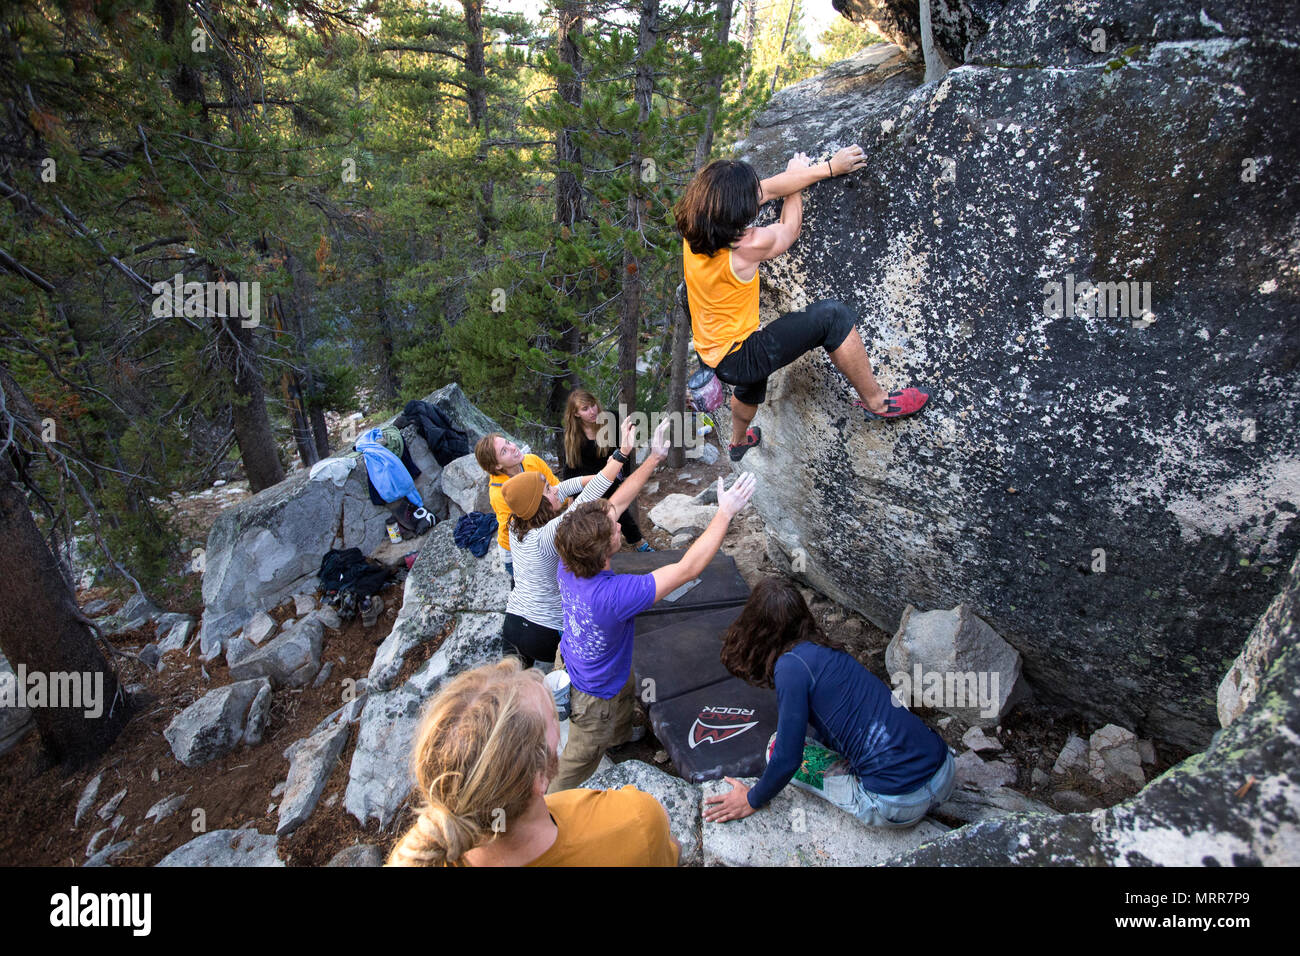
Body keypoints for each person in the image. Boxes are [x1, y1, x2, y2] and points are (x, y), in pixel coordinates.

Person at [674, 148, 930, 462]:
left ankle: (738, 441)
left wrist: (823, 169)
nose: (757, 198)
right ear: (734, 214)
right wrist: (808, 176)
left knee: (750, 385)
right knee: (833, 317)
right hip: (740, 354)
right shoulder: (747, 245)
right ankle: (877, 403)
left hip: (709, 348)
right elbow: (790, 229)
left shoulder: (696, 227)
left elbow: (765, 190)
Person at [549, 457, 758, 792]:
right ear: (605, 551)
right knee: (578, 759)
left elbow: (614, 504)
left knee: (625, 687)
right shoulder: (615, 595)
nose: (619, 525)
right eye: (614, 529)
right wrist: (725, 512)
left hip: (581, 655)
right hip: (591, 694)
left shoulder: (569, 558)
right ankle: (547, 807)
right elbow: (688, 568)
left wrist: (656, 455)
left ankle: (620, 737)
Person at [703, 578, 955, 828]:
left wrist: (752, 799)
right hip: (945, 771)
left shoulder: (790, 668)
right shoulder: (827, 649)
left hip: (896, 803)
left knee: (775, 745)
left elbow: (787, 757)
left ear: (755, 625)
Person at [385, 659, 679, 866]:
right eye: (552, 717)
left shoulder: (423, 854)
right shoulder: (634, 820)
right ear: (540, 777)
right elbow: (669, 849)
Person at [500, 417, 640, 668]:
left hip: (512, 624)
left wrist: (605, 471)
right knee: (565, 685)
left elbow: (568, 486)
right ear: (541, 504)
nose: (555, 490)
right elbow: (586, 497)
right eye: (548, 491)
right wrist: (622, 454)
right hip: (545, 631)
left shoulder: (515, 522)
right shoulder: (547, 536)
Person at [561, 388, 653, 553]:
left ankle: (637, 542)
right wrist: (571, 496)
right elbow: (571, 466)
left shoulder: (612, 419)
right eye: (585, 409)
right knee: (591, 512)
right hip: (587, 478)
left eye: (593, 405)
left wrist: (619, 467)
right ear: (575, 414)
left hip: (613, 469)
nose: (592, 411)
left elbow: (624, 446)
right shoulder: (574, 434)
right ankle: (631, 543)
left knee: (611, 501)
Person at [475, 433, 561, 584]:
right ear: (497, 466)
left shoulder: (532, 461)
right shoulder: (499, 493)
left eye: (508, 442)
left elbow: (557, 488)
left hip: (544, 529)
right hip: (519, 551)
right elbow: (521, 531)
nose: (513, 447)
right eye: (504, 451)